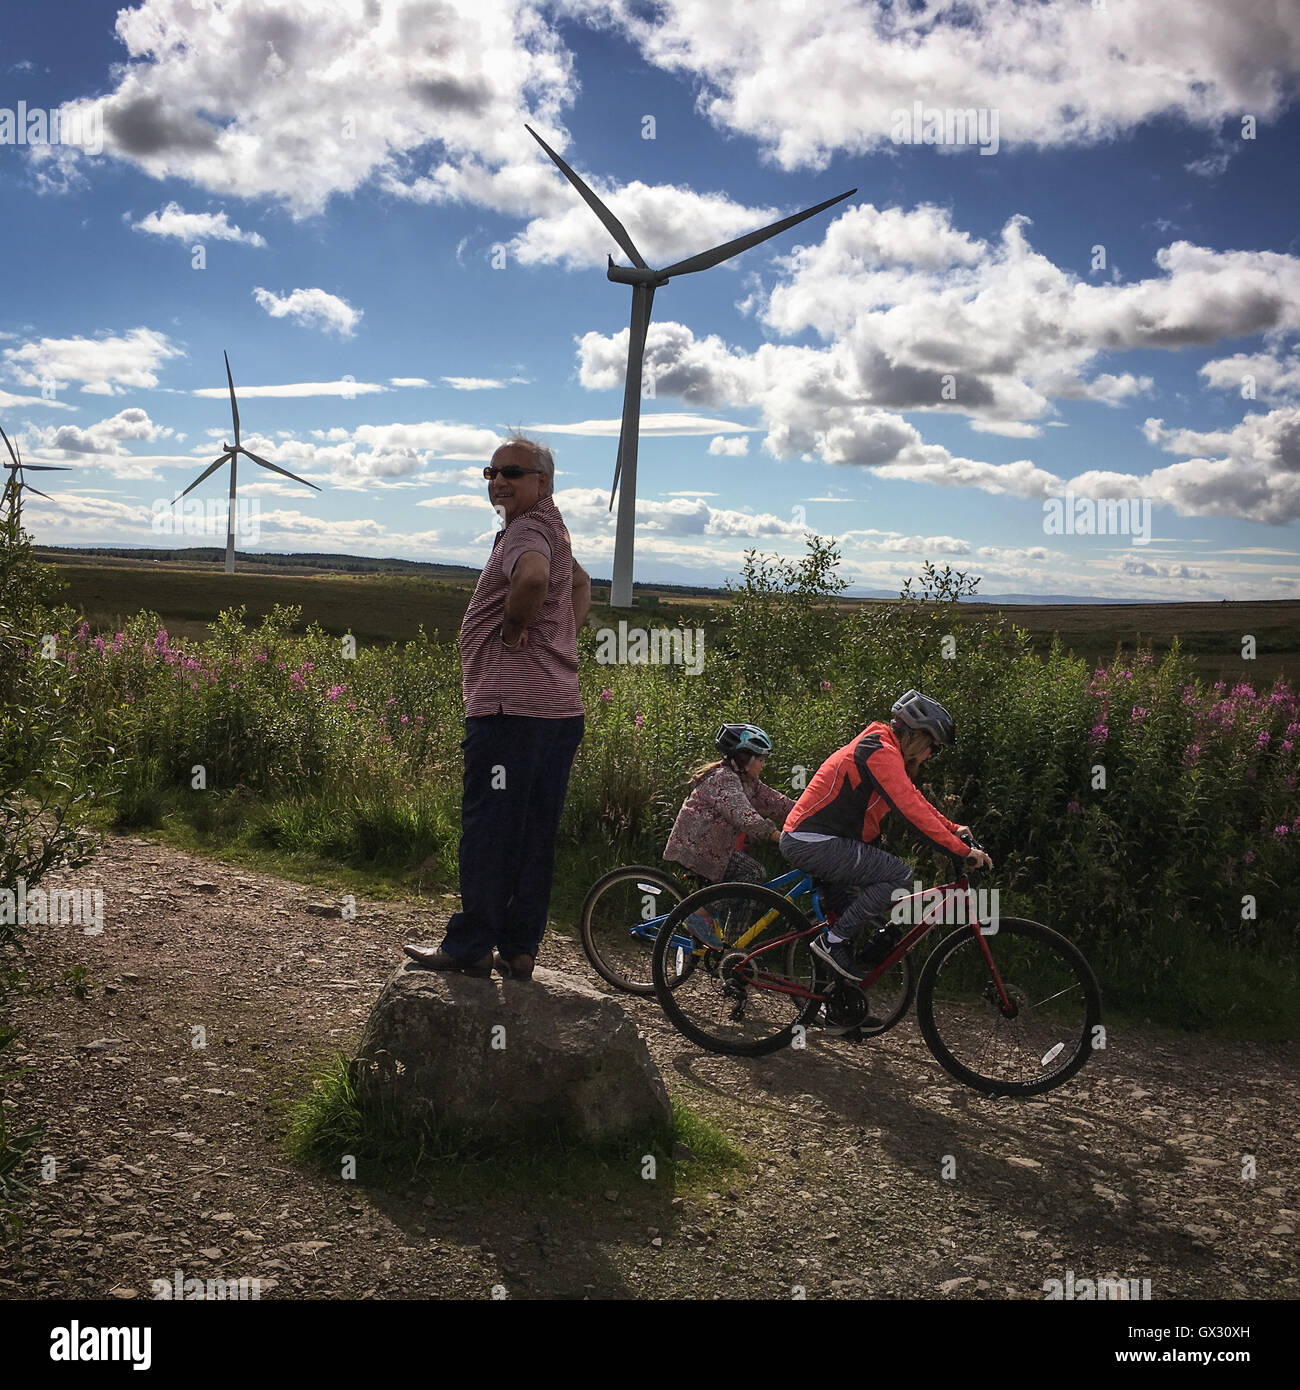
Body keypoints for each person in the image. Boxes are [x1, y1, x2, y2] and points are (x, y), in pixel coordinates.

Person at [404, 435, 590, 980]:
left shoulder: (527, 530)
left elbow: (532, 578)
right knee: (535, 834)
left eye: (513, 471)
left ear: (543, 482)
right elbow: (578, 583)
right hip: (558, 714)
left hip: (511, 716)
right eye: (491, 471)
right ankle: (520, 949)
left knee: (489, 831)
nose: (499, 480)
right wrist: (564, 636)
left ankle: (469, 948)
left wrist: (513, 631)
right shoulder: (551, 526)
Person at [779, 690, 992, 981]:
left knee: (848, 919)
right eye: (934, 746)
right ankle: (832, 942)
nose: (932, 754)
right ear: (918, 735)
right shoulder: (878, 749)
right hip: (813, 841)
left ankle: (837, 1010)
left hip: (825, 841)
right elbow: (909, 810)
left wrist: (952, 828)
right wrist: (960, 850)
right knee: (899, 874)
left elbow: (913, 798)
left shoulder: (886, 749)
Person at [663, 724, 794, 886]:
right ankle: (699, 913)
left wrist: (810, 814)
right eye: (761, 760)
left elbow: (780, 804)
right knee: (753, 873)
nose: (763, 765)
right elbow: (746, 818)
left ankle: (707, 909)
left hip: (713, 848)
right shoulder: (723, 779)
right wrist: (782, 838)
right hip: (695, 848)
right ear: (746, 760)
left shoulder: (748, 782)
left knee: (745, 890)